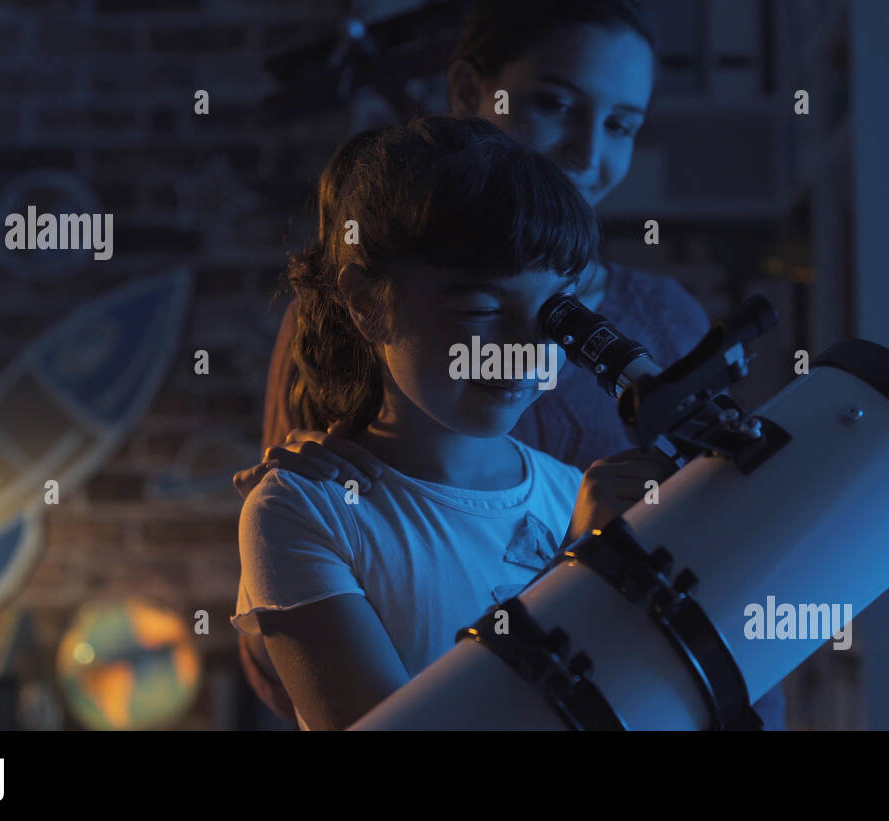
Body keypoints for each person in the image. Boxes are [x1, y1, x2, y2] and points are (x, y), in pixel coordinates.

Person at [236, 0, 787, 730]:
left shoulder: (571, 470)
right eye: (557, 103)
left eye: (622, 123)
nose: (588, 153)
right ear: (469, 91)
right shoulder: (319, 501)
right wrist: (586, 570)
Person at [233, 115, 681, 730]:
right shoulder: (304, 513)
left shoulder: (571, 493)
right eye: (482, 310)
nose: (523, 348)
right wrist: (580, 574)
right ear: (367, 304)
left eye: (553, 316)